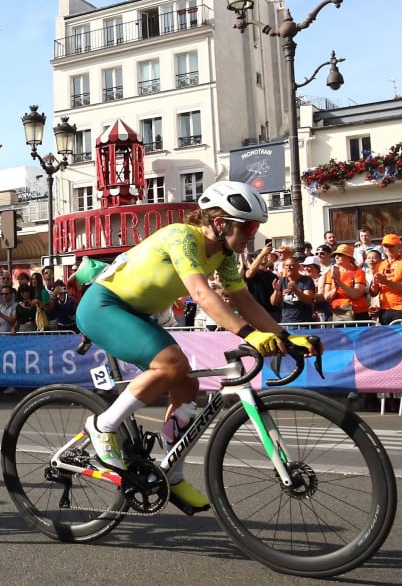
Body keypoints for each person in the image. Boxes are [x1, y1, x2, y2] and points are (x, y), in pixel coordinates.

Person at [76, 180, 315, 516]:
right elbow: (202, 294)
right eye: (247, 226)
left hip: (139, 313)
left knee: (187, 384)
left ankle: (171, 474)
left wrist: (284, 336)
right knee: (172, 365)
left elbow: (243, 299)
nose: (252, 234)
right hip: (103, 305)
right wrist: (249, 334)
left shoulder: (224, 256)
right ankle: (103, 426)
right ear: (220, 223)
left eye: (256, 227)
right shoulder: (182, 236)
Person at [370, 234, 402, 325]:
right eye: (385, 246)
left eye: (391, 246)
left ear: (399, 247)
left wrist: (386, 282)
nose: (388, 248)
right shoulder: (379, 265)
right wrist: (374, 284)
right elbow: (373, 293)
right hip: (384, 309)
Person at [324, 244, 369, 321]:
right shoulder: (330, 273)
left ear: (349, 258)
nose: (336, 257)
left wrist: (339, 282)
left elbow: (356, 294)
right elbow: (326, 297)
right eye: (335, 255)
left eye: (340, 255)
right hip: (337, 312)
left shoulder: (358, 272)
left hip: (356, 313)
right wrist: (335, 288)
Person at [271, 255, 315, 324]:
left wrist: (295, 290)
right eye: (287, 265)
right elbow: (273, 303)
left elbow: (308, 300)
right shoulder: (282, 281)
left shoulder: (306, 280)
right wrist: (276, 291)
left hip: (303, 323)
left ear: (298, 267)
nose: (289, 268)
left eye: (291, 265)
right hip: (286, 322)